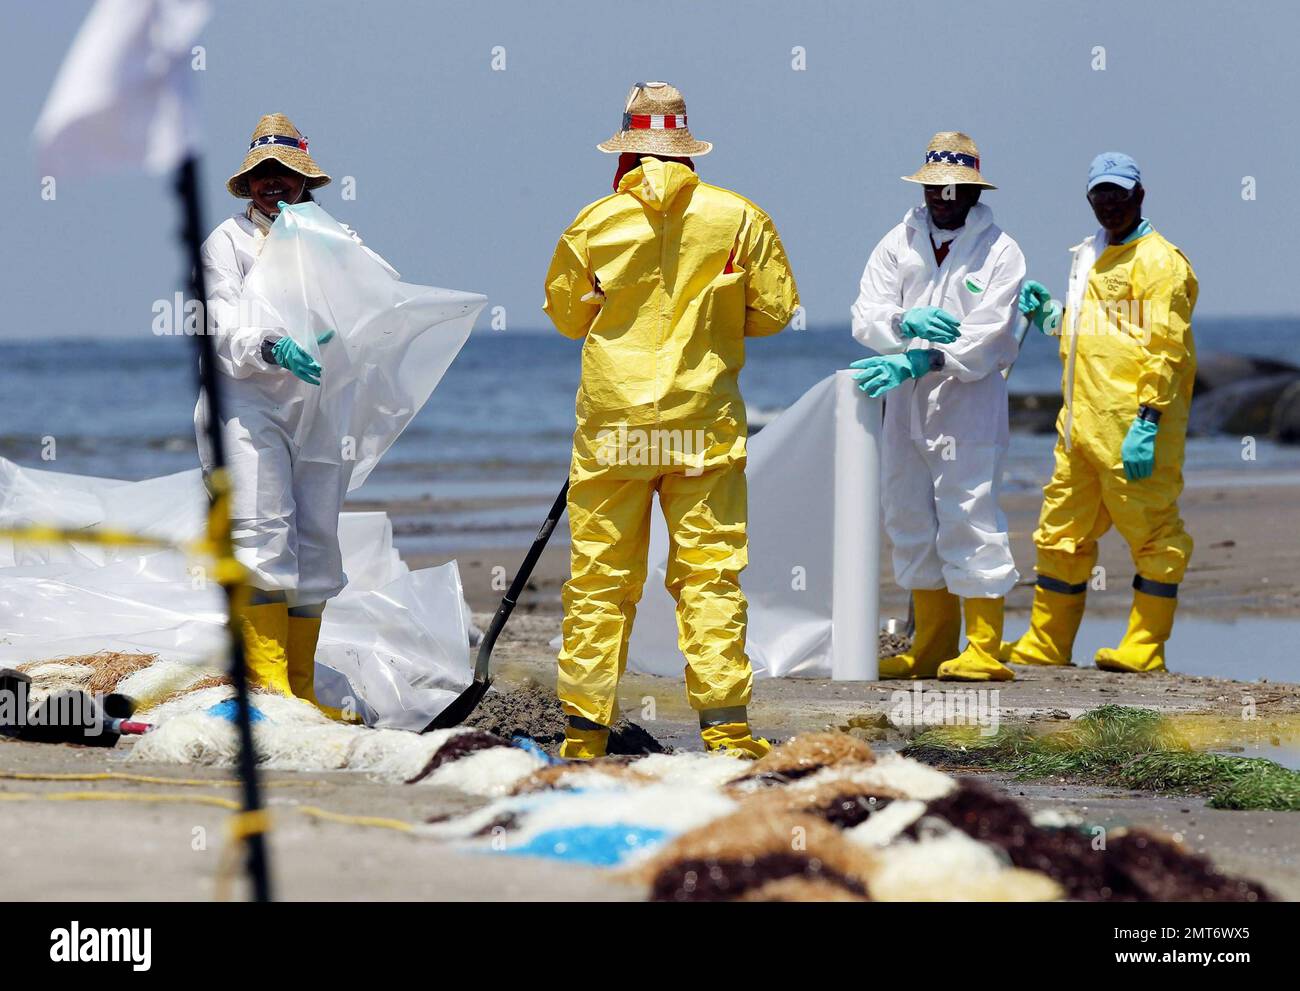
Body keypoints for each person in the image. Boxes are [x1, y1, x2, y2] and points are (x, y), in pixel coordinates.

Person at [543, 82, 799, 759]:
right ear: (689, 148)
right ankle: (727, 728)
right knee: (709, 573)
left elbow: (569, 317)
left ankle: (583, 734)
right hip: (702, 422)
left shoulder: (594, 221)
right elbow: (773, 314)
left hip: (615, 426)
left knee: (601, 578)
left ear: (626, 148)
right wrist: (713, 318)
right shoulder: (739, 217)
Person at [198, 113, 392, 716]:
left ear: (305, 181)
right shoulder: (225, 242)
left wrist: (344, 327)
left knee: (316, 542)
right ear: (247, 184)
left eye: (284, 173)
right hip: (247, 405)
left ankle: (301, 687)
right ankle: (267, 687)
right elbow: (221, 319)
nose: (273, 183)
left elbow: (379, 296)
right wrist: (269, 345)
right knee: (262, 531)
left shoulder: (333, 238)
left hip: (318, 406)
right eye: (262, 175)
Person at [1004, 153, 1198, 673]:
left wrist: (1149, 419)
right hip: (1079, 427)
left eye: (1119, 192)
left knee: (1153, 531)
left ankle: (1145, 646)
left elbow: (1166, 348)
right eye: (1100, 194)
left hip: (1131, 426)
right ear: (1089, 198)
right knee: (1060, 531)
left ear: (1140, 195)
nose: (1109, 203)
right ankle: (1047, 643)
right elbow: (1102, 334)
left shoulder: (1160, 262)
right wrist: (1054, 320)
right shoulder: (1089, 255)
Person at [849, 132, 1026, 682]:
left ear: (973, 190)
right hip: (903, 403)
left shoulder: (1001, 251)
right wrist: (904, 327)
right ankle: (930, 644)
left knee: (968, 511)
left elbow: (989, 336)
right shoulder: (896, 243)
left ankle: (983, 647)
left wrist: (922, 361)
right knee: (906, 511)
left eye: (956, 188)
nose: (944, 196)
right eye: (935, 187)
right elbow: (865, 314)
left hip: (967, 402)